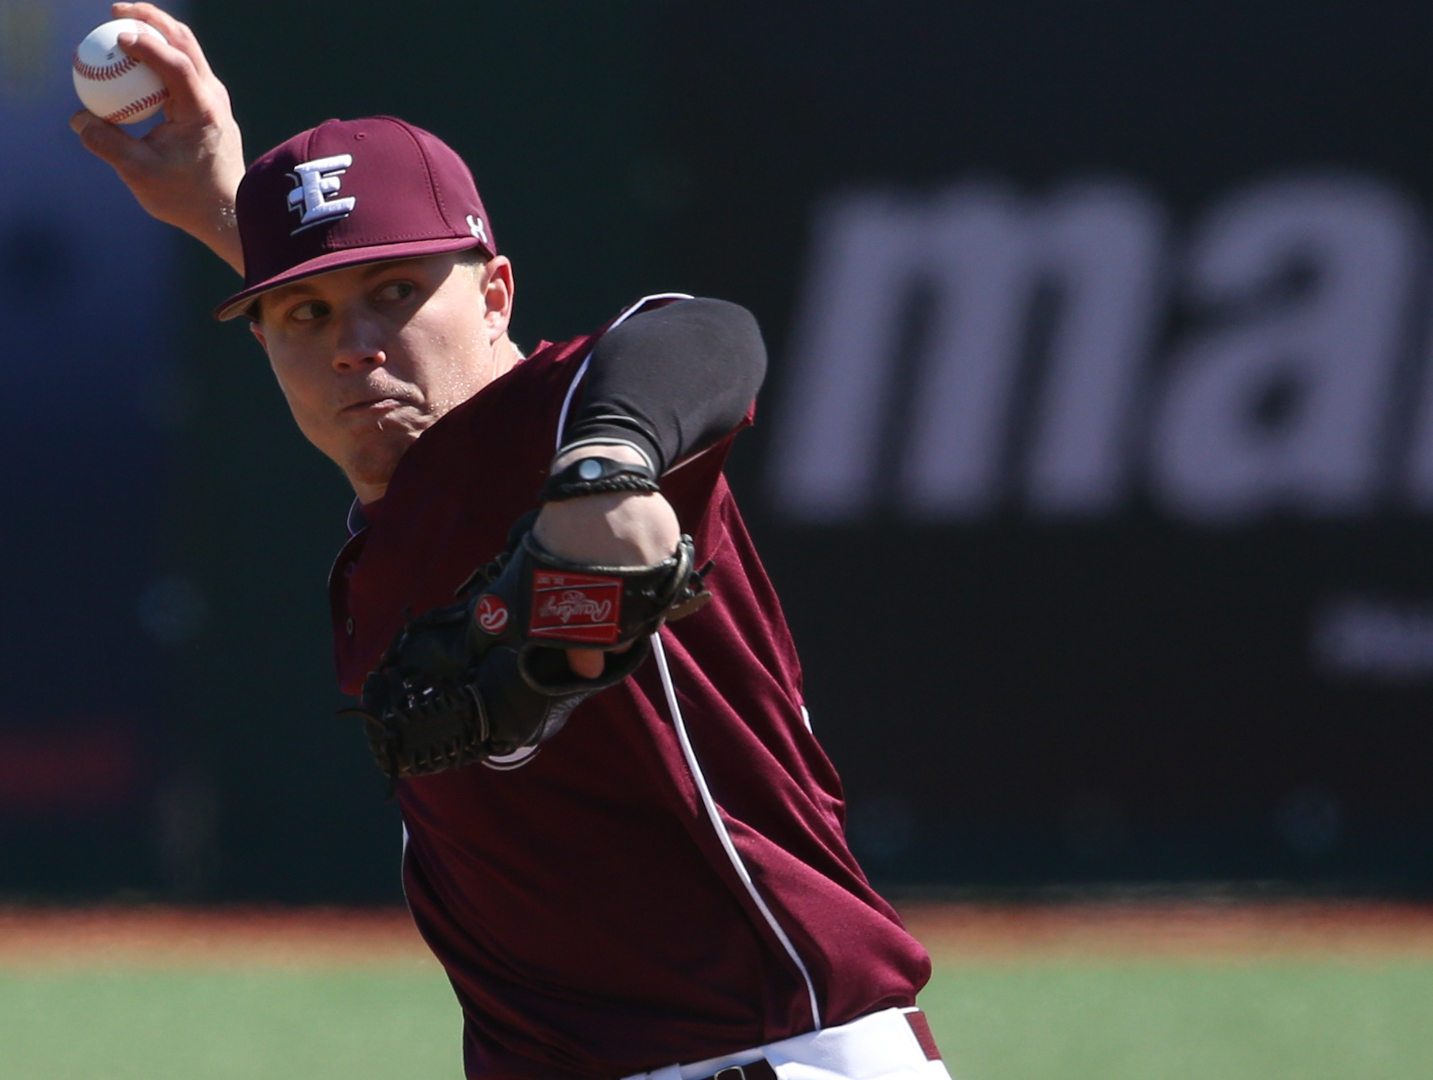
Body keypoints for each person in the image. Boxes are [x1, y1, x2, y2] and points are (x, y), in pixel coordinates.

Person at [72, 7, 948, 1079]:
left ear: (495, 294)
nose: (353, 348)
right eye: (301, 316)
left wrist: (609, 464)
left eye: (397, 294)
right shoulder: (392, 528)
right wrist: (231, 209)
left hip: (768, 1052)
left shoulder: (543, 424)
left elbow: (702, 334)